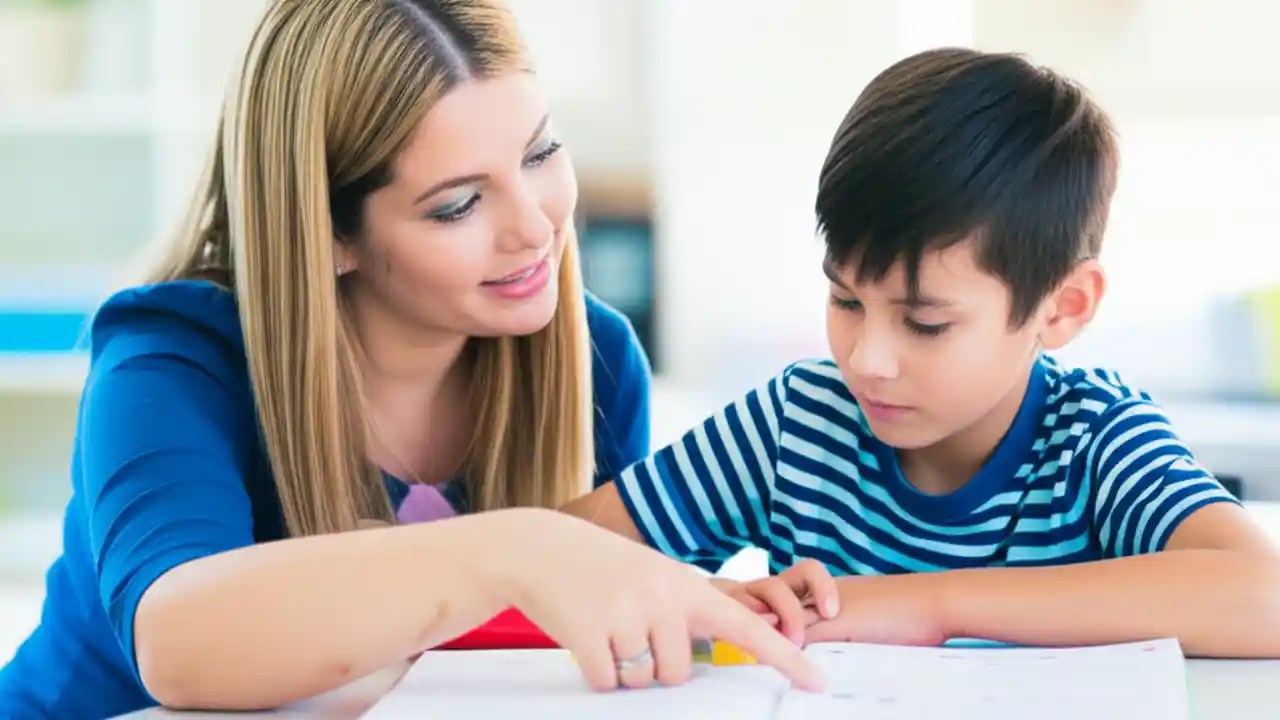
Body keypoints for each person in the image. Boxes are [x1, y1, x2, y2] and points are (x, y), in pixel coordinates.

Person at [0, 1, 820, 717]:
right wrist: (519, 550)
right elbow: (176, 643)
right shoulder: (175, 357)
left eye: (539, 155)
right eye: (458, 204)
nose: (534, 227)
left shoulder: (595, 357)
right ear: (329, 235)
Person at [566, 48, 1280, 655]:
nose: (866, 359)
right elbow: (538, 560)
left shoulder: (1092, 437)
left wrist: (926, 607)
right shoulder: (798, 424)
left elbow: (1263, 595)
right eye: (846, 301)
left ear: (1062, 309)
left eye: (926, 323)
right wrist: (701, 596)